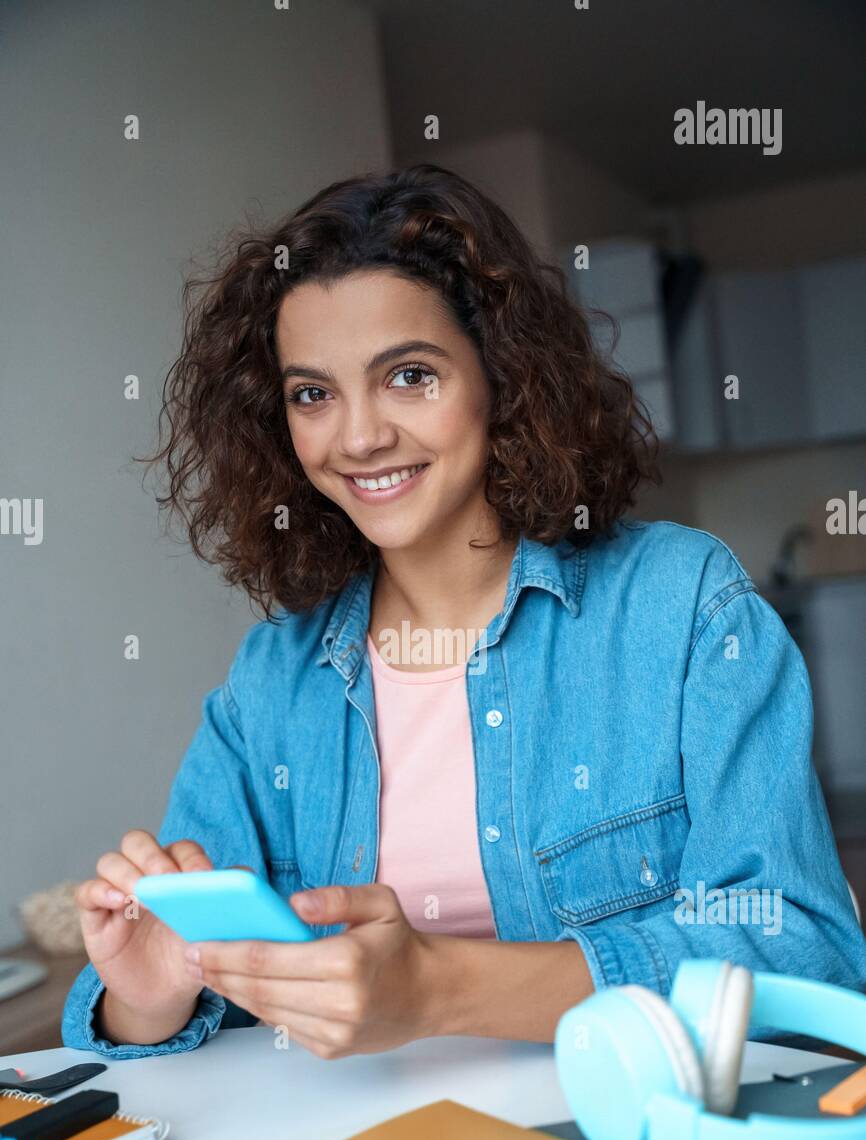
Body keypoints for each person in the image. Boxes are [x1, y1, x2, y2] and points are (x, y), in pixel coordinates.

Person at [62, 164, 866, 1062]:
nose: (358, 436)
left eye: (409, 375)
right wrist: (149, 997)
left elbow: (807, 956)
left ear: (503, 378)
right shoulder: (270, 686)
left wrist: (439, 990)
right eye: (313, 394)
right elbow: (190, 1002)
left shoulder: (678, 606)